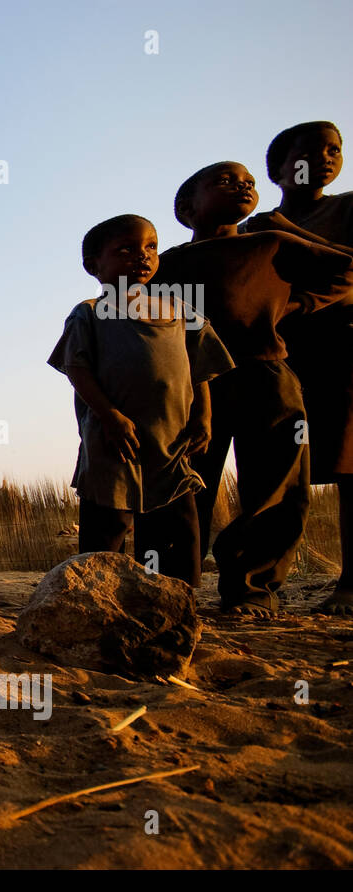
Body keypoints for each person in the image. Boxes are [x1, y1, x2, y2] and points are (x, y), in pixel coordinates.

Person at [154, 161, 353, 617]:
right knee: (182, 483)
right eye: (224, 181)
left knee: (276, 485)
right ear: (187, 208)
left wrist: (295, 305)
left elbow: (346, 269)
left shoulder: (271, 243)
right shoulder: (167, 264)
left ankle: (252, 588)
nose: (241, 186)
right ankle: (172, 585)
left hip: (266, 372)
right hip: (191, 383)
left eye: (248, 182)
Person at [48, 215, 234, 586]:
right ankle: (98, 593)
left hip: (172, 442)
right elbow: (76, 369)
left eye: (151, 247)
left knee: (178, 522)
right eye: (126, 250)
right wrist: (110, 416)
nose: (142, 256)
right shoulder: (90, 312)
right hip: (114, 441)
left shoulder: (180, 311)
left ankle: (176, 595)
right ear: (93, 265)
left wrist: (204, 419)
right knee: (107, 523)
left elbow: (200, 371)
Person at [243, 122, 353, 613]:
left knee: (350, 467)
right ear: (278, 168)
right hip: (278, 355)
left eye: (335, 150)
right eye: (310, 151)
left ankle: (350, 583)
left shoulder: (347, 208)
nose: (326, 158)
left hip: (342, 347)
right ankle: (258, 583)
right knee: (274, 469)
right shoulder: (253, 228)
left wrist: (286, 235)